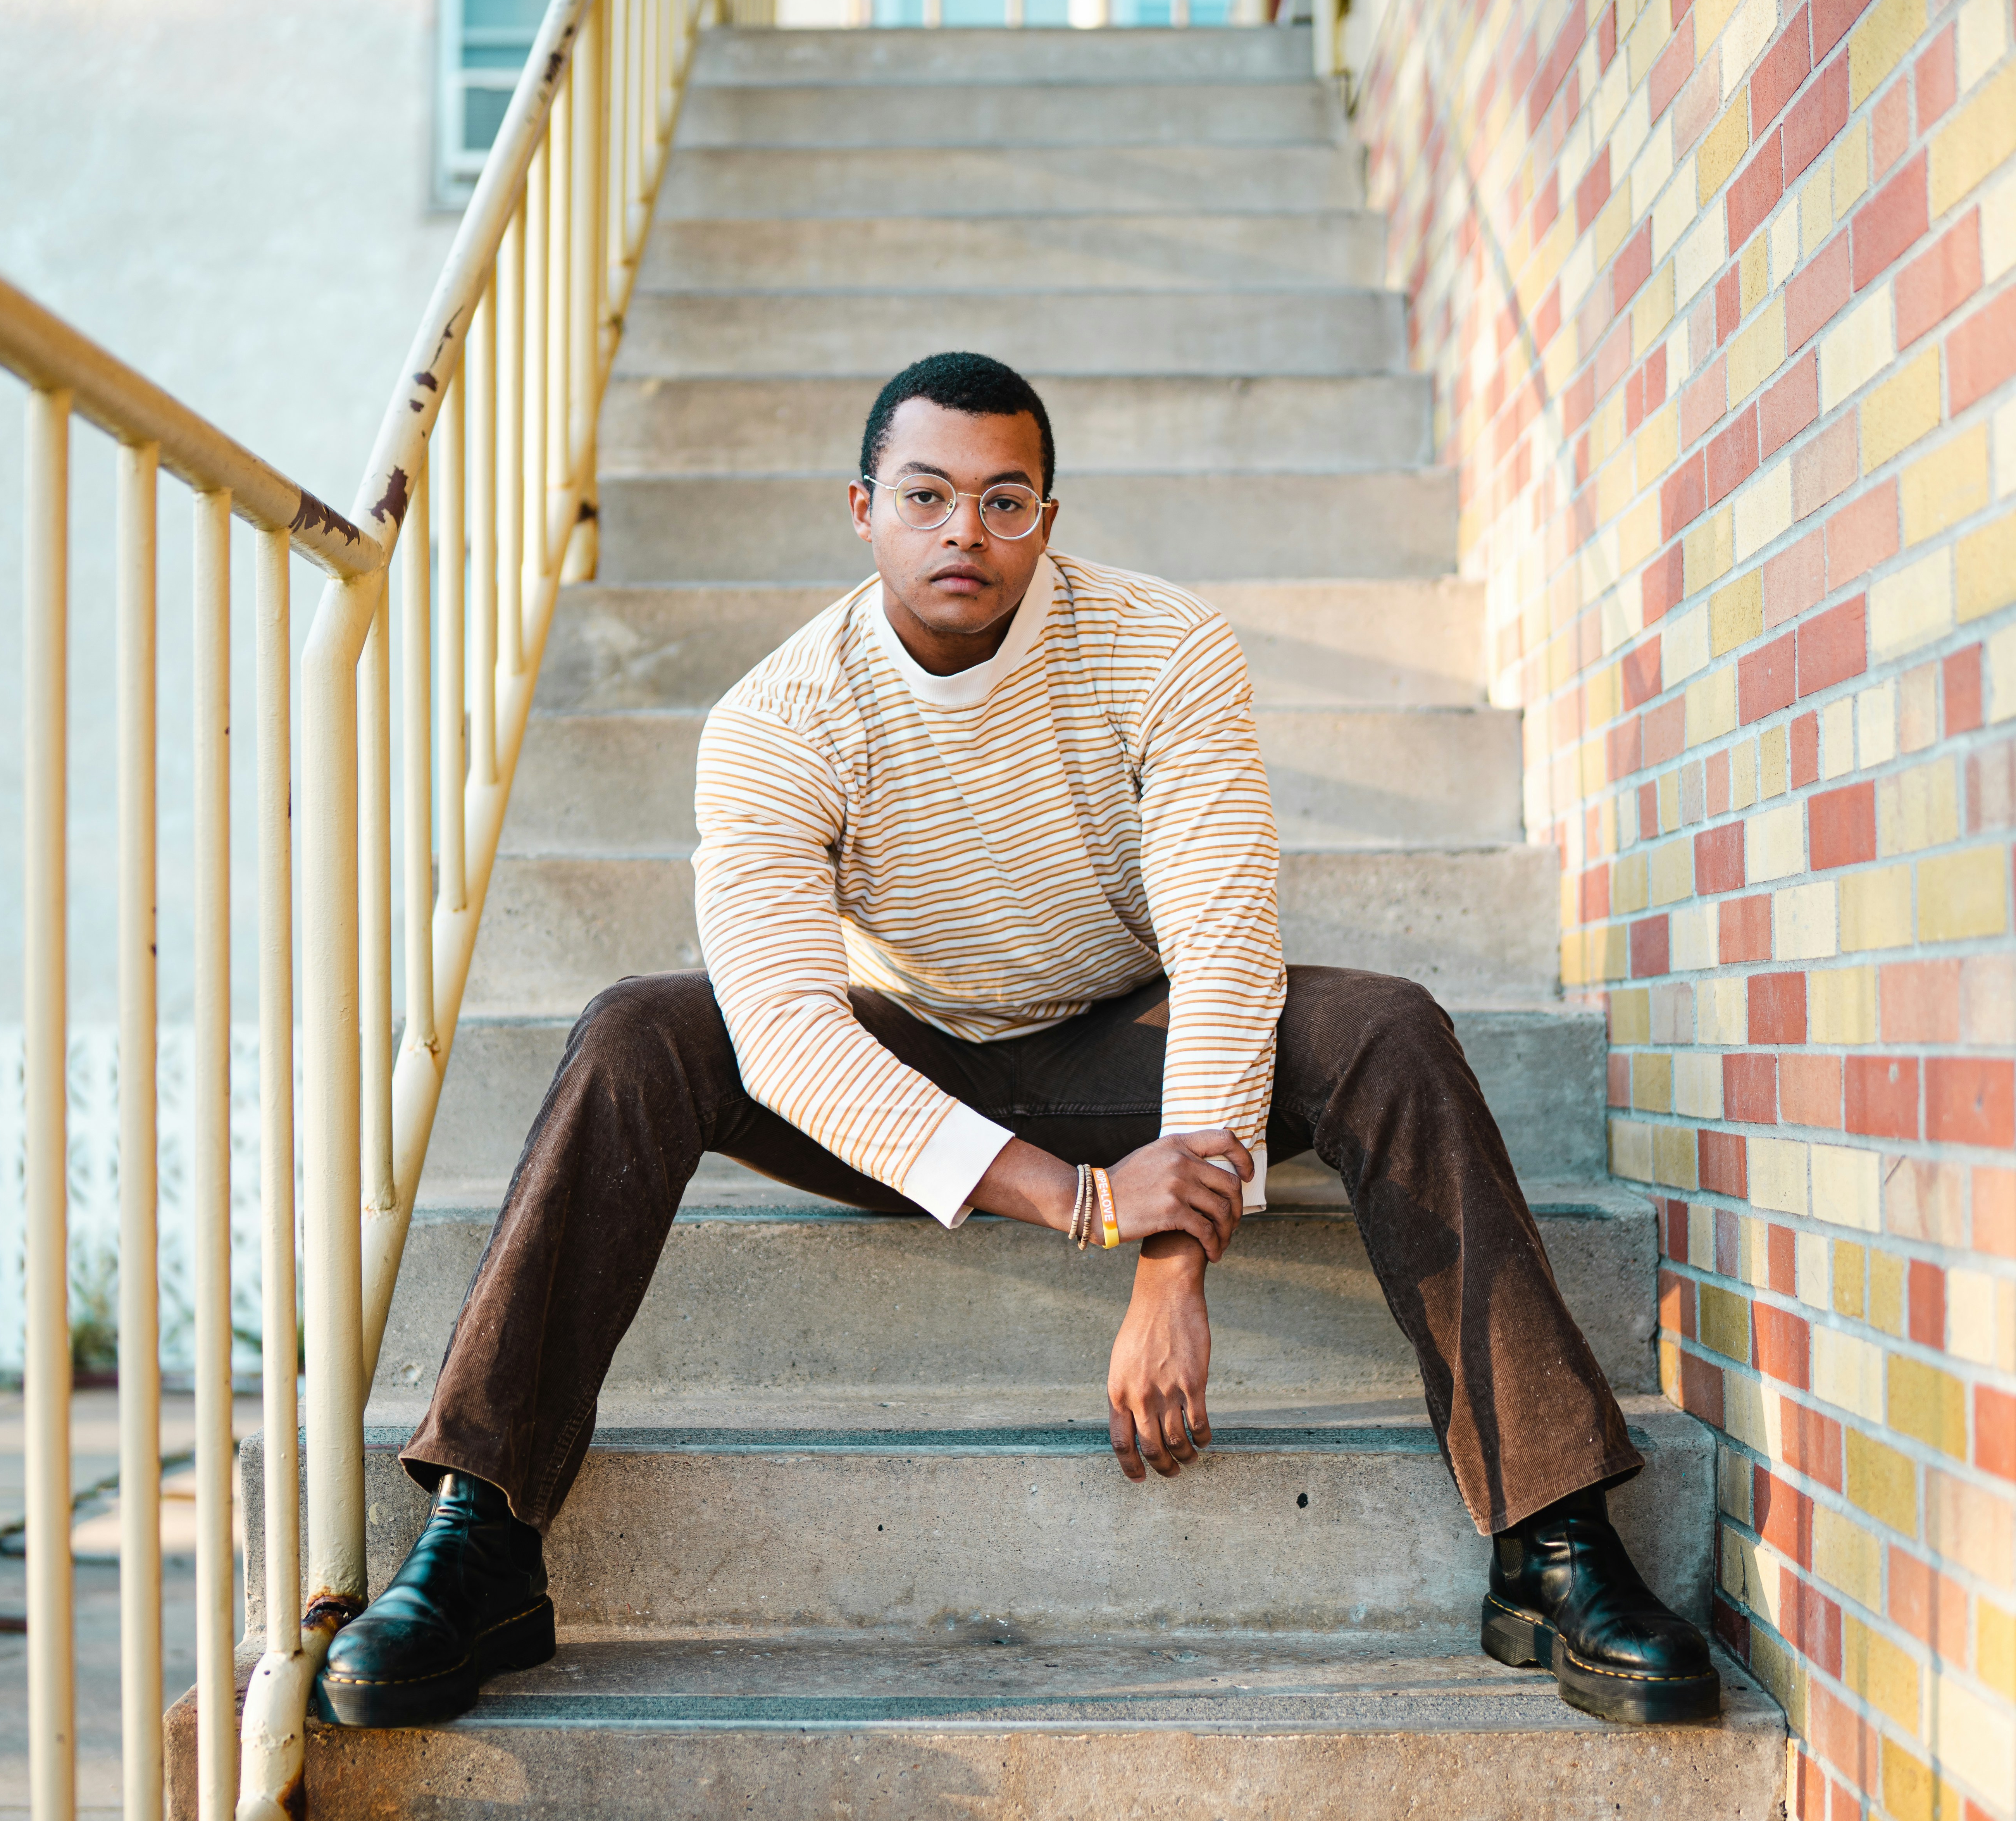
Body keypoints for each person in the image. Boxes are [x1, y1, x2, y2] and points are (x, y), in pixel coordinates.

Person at [320, 350, 1718, 1732]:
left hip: (1126, 1044)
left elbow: (1226, 950)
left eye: (1004, 501)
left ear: (1049, 517)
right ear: (859, 507)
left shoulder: (1164, 649)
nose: (963, 533)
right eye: (926, 495)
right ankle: (484, 1533)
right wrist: (1087, 1205)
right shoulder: (776, 717)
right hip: (901, 1061)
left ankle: (1551, 1541)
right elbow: (790, 1034)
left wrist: (1174, 1264)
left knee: (1388, 1028)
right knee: (635, 1028)